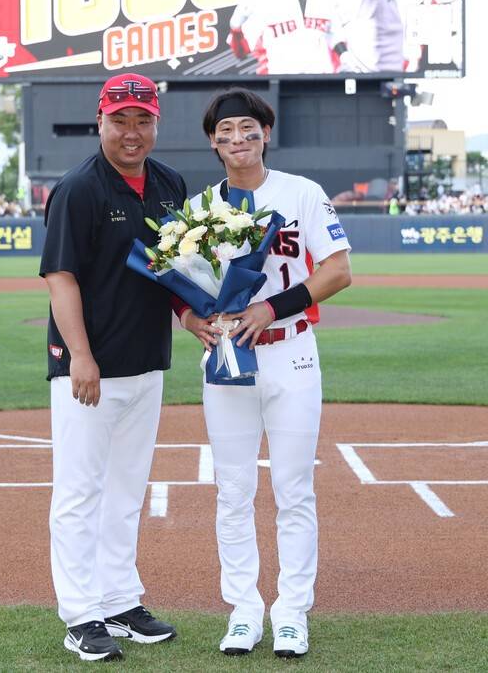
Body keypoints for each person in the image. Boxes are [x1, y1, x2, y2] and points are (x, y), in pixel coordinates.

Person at [181, 88, 352, 659]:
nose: (238, 138)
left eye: (248, 128)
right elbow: (183, 281)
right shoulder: (202, 207)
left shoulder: (301, 193)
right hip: (229, 354)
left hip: (291, 350)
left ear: (265, 133)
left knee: (293, 489)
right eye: (226, 129)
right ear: (213, 140)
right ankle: (244, 608)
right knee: (232, 489)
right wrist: (187, 315)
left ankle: (291, 611)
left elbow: (338, 270)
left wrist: (271, 308)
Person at [39, 73, 185, 662]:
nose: (132, 131)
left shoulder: (169, 183)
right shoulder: (79, 188)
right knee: (79, 494)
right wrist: (79, 355)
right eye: (120, 119)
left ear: (156, 123)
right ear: (99, 120)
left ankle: (120, 600)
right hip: (89, 369)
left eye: (142, 120)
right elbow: (61, 277)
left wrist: (194, 317)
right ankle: (80, 616)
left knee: (126, 492)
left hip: (146, 363)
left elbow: (174, 268)